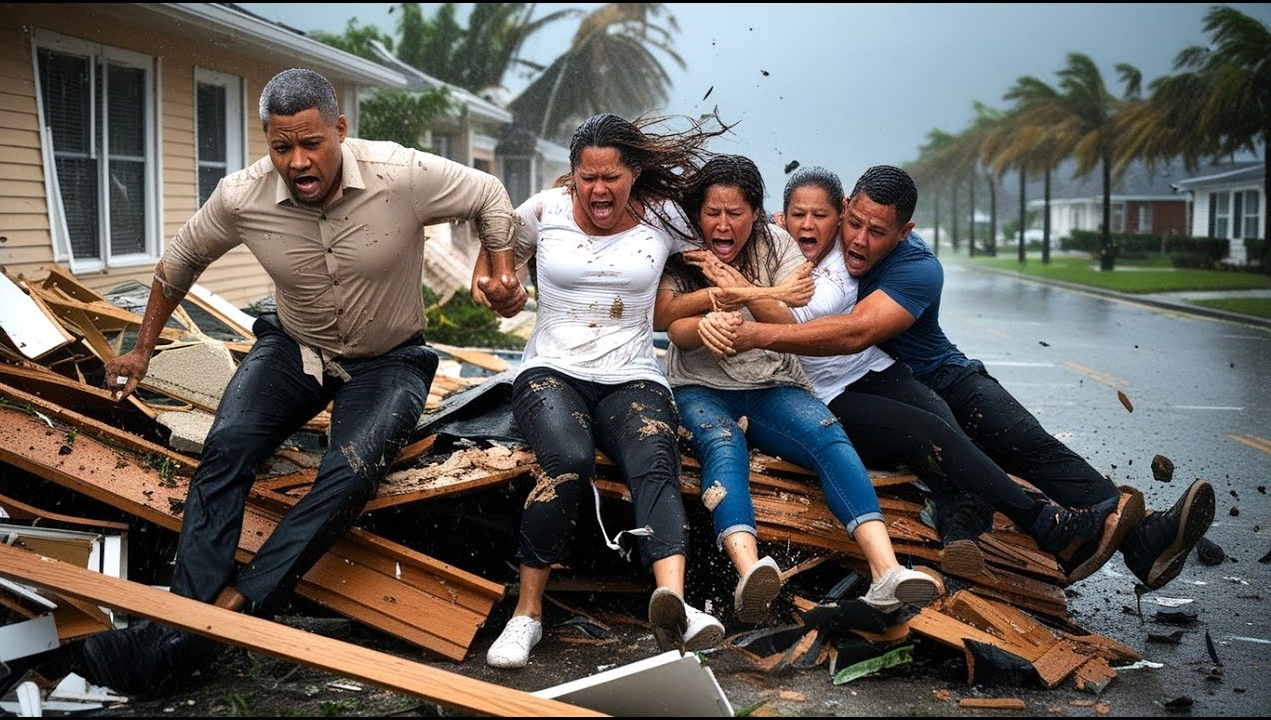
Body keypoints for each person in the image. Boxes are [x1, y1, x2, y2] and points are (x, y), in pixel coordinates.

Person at [78, 68, 525, 697]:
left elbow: (490, 195)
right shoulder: (242, 196)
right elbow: (178, 261)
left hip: (389, 359)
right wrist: (141, 350)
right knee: (228, 446)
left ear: (340, 129)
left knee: (347, 475)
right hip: (295, 348)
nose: (298, 161)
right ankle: (184, 621)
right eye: (282, 146)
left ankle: (227, 615)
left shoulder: (401, 173)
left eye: (312, 142)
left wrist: (500, 270)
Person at [707, 164, 1215, 591]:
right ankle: (1095, 535)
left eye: (875, 230)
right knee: (945, 443)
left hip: (937, 373)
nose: (858, 237)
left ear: (903, 232)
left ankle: (1112, 535)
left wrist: (752, 318)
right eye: (852, 223)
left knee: (1024, 444)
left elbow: (852, 334)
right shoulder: (800, 246)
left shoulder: (916, 268)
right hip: (872, 382)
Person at [474, 113, 727, 670]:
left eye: (610, 176)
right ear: (573, 175)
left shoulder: (664, 219)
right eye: (587, 176)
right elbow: (494, 258)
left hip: (634, 373)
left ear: (633, 173)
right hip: (550, 372)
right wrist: (495, 288)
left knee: (655, 458)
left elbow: (728, 234)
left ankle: (676, 608)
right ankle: (528, 616)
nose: (598, 189)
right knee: (567, 458)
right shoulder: (545, 210)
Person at [654, 154, 942, 624]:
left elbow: (789, 313)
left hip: (773, 382)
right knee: (722, 447)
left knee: (828, 434)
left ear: (757, 214)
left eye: (734, 214)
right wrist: (705, 321)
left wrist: (744, 292)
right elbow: (667, 320)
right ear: (698, 214)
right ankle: (751, 572)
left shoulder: (779, 244)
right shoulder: (682, 249)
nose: (722, 225)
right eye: (712, 213)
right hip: (700, 388)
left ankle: (886, 571)